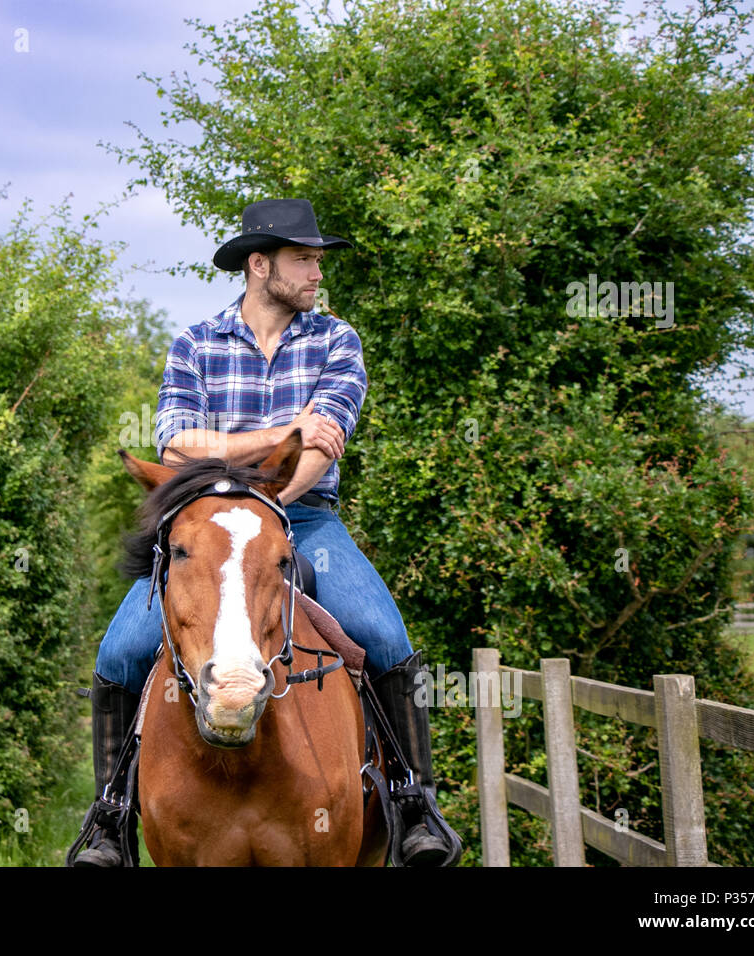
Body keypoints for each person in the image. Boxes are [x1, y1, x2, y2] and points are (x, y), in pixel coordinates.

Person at [70, 198, 455, 867]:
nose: (316, 271)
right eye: (304, 258)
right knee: (119, 652)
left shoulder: (337, 341)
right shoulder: (194, 344)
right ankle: (109, 817)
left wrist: (261, 485)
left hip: (304, 518)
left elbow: (320, 449)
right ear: (260, 264)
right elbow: (176, 444)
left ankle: (413, 800)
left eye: (317, 259)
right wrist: (279, 435)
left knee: (386, 635)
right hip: (206, 523)